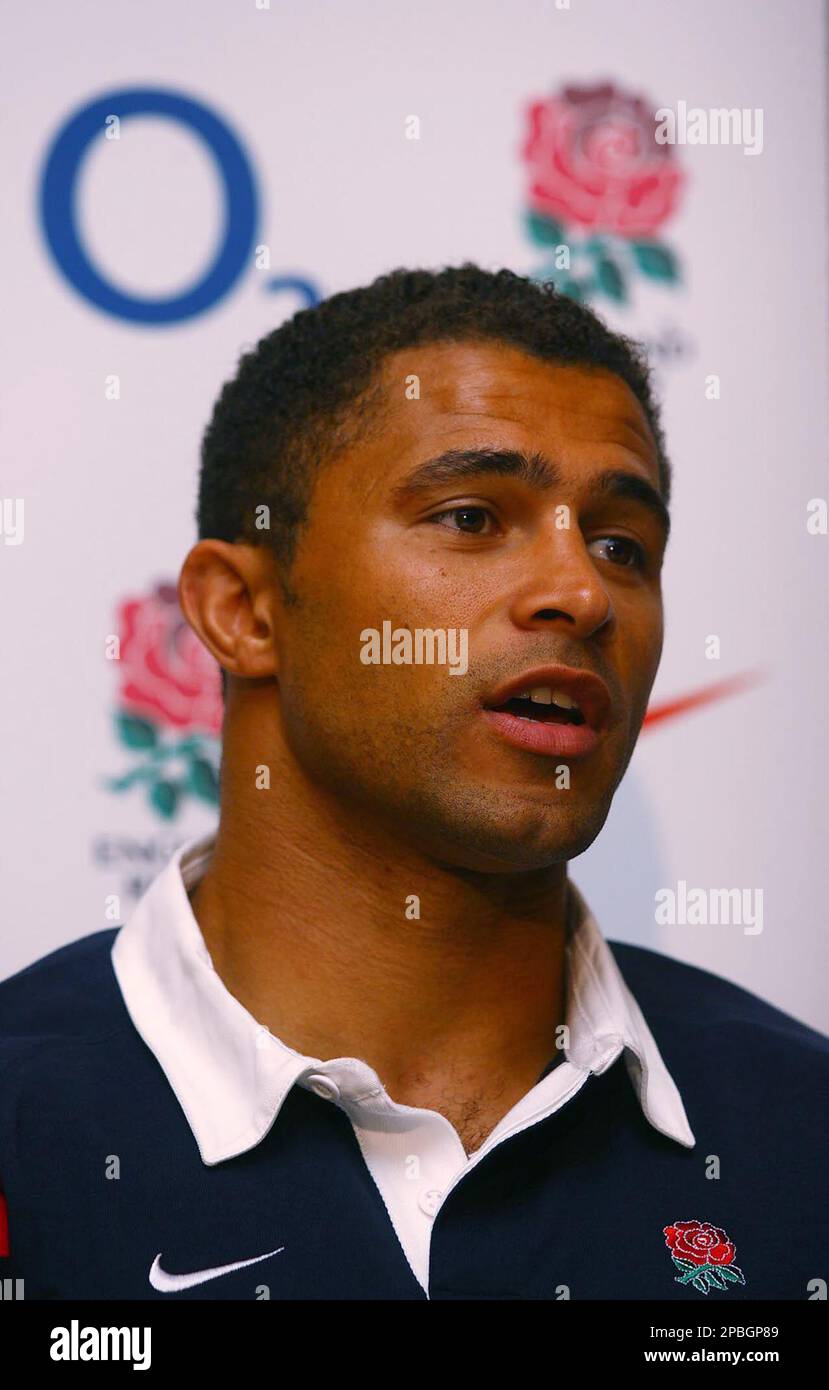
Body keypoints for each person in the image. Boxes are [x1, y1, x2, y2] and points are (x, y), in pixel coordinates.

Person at [1, 265, 826, 1301]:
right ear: (245, 612)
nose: (581, 591)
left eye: (622, 543)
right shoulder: (24, 1126)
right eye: (473, 516)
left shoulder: (800, 1132)